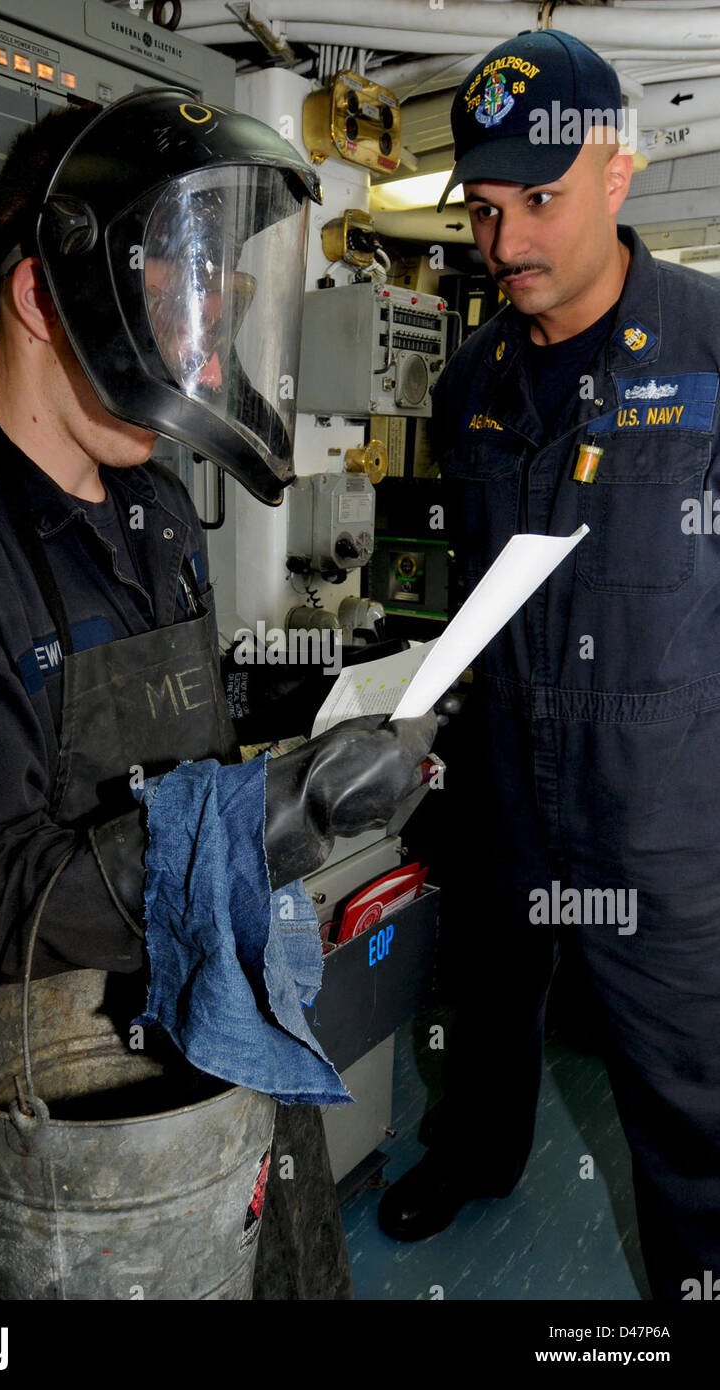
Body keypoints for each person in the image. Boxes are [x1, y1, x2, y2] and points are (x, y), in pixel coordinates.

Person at [0, 90, 437, 1300]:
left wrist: (323, 700)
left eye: (209, 299)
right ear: (38, 295)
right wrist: (258, 824)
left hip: (216, 1020)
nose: (199, 337)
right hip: (64, 1117)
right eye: (172, 295)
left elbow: (183, 702)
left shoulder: (153, 502)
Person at [377, 29, 720, 1303]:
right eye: (482, 206)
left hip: (663, 797)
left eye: (540, 200)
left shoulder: (706, 352)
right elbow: (468, 593)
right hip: (506, 775)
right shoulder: (469, 381)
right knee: (483, 997)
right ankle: (473, 1153)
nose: (505, 239)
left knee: (689, 1076)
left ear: (617, 175)